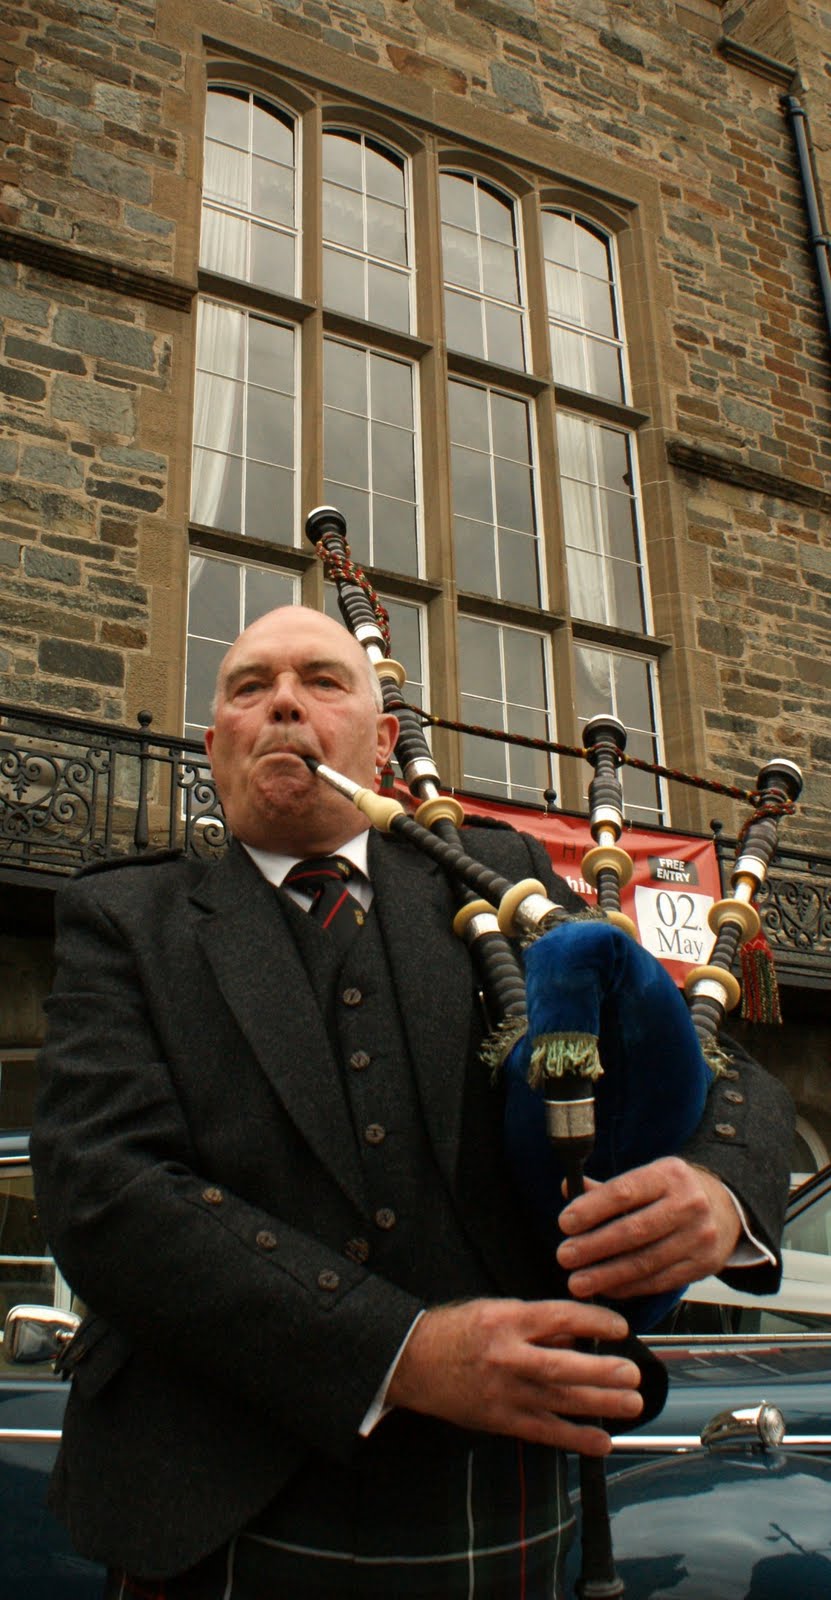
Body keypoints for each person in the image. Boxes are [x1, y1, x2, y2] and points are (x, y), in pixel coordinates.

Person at [32, 605, 794, 1599]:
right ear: (215, 750)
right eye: (251, 687)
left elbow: (707, 1058)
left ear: (384, 743)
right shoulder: (126, 917)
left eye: (323, 680)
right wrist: (406, 1350)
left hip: (494, 1492)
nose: (286, 705)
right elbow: (104, 1191)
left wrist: (717, 1185)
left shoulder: (497, 878)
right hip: (208, 1509)